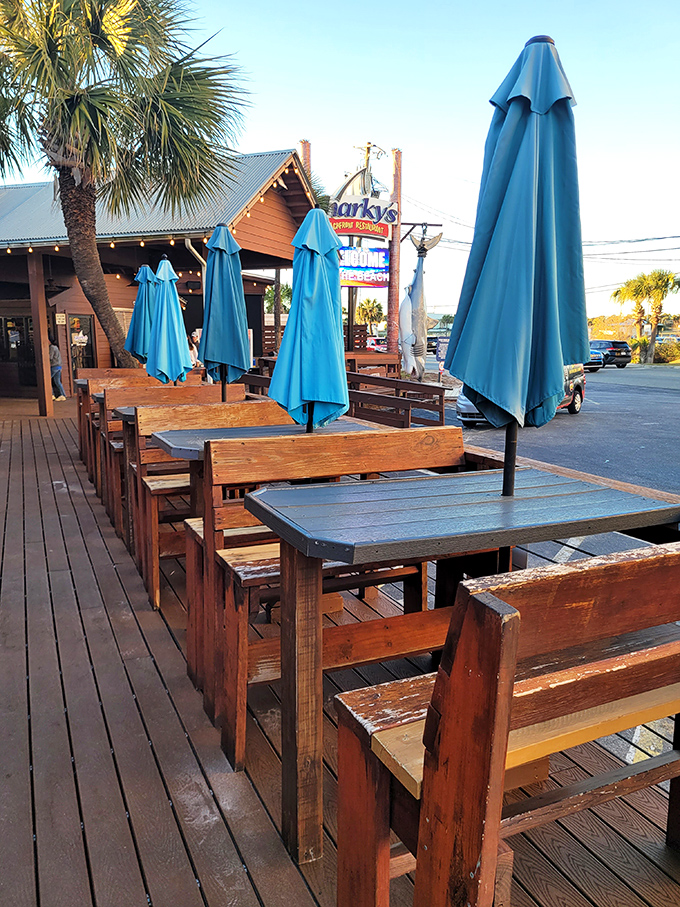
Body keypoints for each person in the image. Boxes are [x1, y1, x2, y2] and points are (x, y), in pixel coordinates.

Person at [48, 336, 66, 400]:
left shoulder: (52, 348)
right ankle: (62, 395)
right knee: (57, 381)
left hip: (54, 366)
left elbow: (50, 357)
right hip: (59, 366)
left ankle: (51, 394)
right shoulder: (56, 347)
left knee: (47, 380)